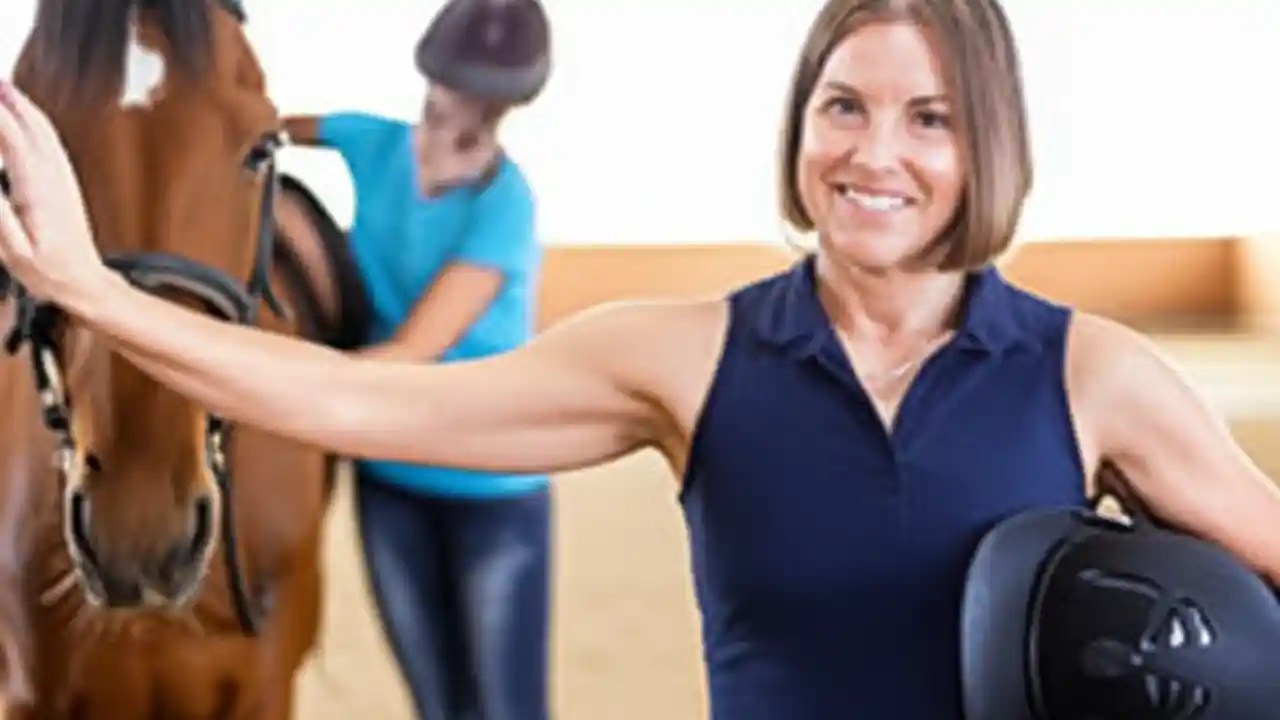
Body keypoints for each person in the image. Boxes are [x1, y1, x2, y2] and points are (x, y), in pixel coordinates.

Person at [1, 0, 1279, 717]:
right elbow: (355, 398)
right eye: (841, 105)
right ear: (799, 126)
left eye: (928, 118)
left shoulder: (1092, 374)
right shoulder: (687, 357)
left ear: (986, 142)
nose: (872, 153)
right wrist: (92, 291)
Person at [277, 0, 554, 718]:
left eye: (485, 91)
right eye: (456, 79)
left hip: (493, 490)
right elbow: (260, 126)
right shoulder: (369, 142)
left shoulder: (505, 203)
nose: (463, 98)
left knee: (505, 711)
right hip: (391, 481)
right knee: (437, 707)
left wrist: (268, 391)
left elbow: (413, 351)